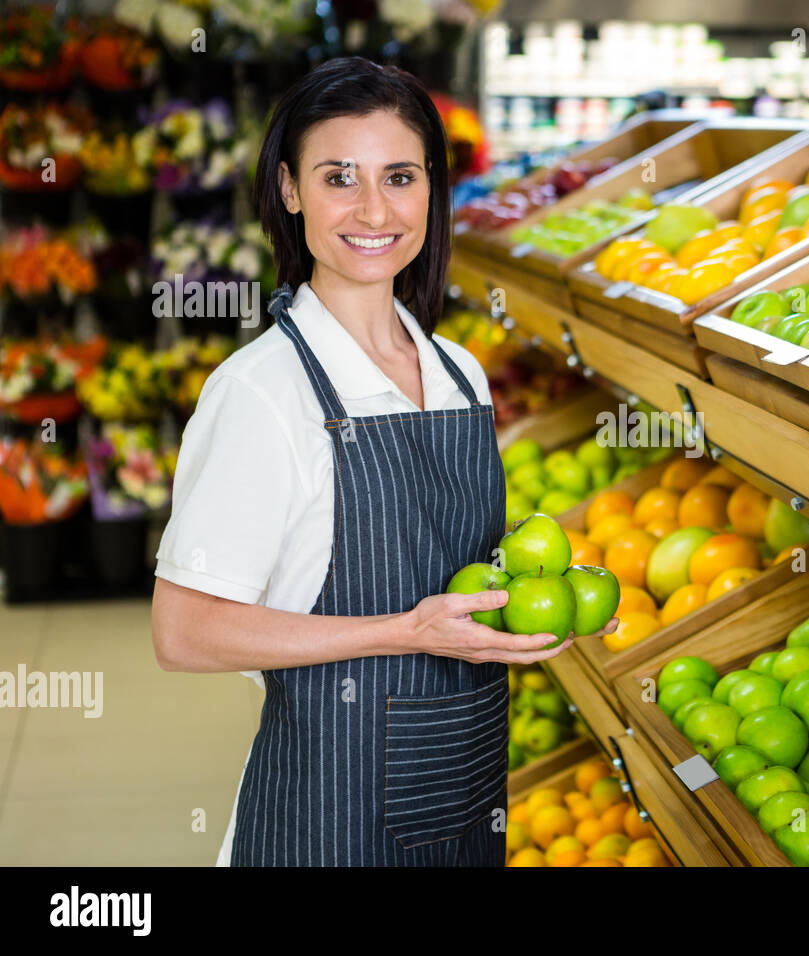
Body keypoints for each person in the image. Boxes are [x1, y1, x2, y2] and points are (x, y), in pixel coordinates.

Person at [150, 57, 614, 867]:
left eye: (399, 176)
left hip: (462, 806)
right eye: (339, 178)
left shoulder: (462, 374)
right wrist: (405, 632)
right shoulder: (263, 392)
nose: (374, 210)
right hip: (326, 821)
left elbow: (464, 581)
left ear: (433, 187)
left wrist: (547, 607)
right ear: (290, 190)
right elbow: (184, 632)